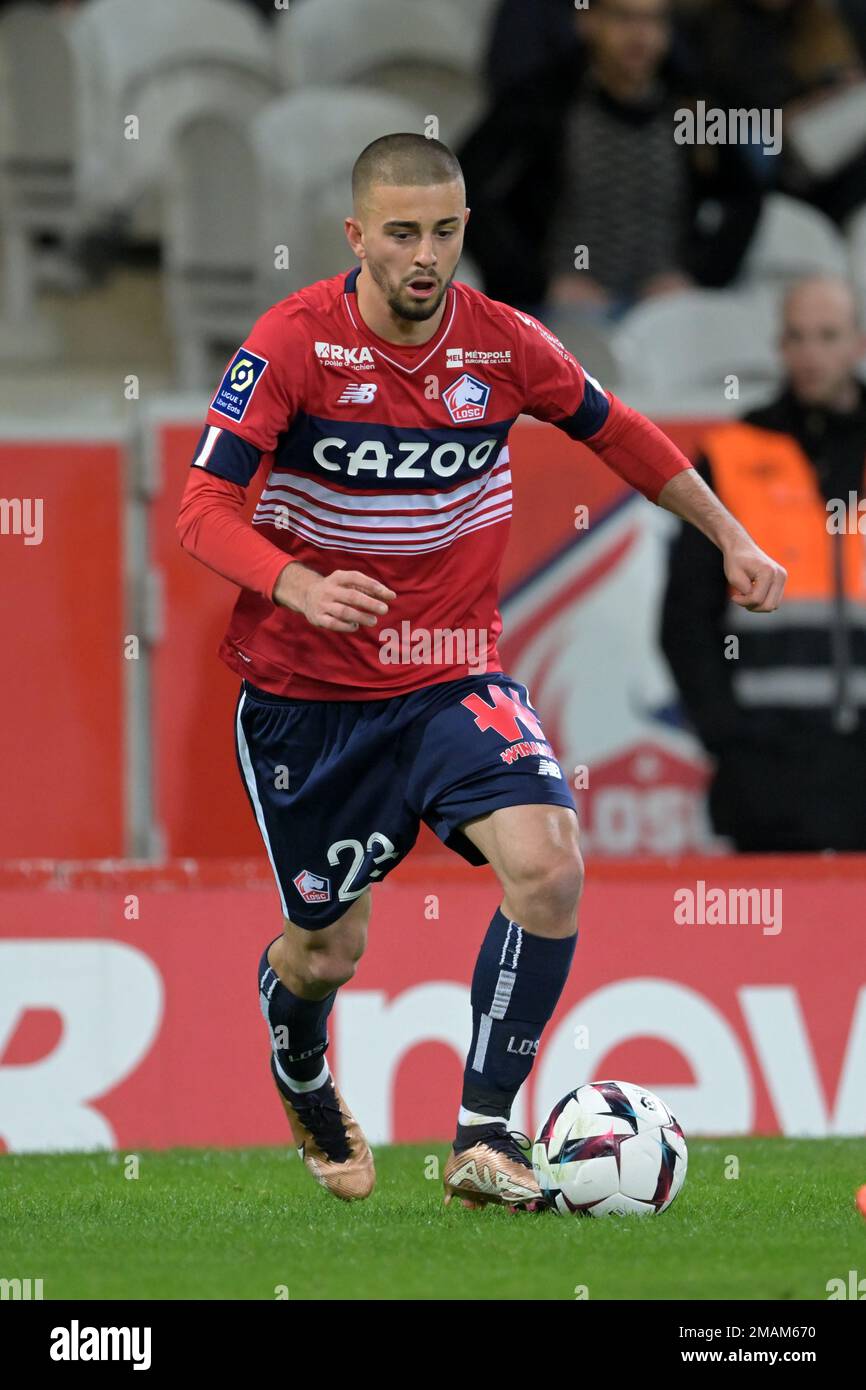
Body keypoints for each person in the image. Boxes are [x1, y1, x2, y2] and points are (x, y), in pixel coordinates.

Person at [176, 133, 785, 1210]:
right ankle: (300, 1058)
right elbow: (201, 508)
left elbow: (617, 431)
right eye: (402, 233)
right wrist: (295, 584)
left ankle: (484, 1134)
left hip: (454, 674)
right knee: (327, 951)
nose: (425, 256)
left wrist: (729, 533)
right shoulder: (292, 344)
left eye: (445, 232)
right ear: (356, 235)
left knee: (549, 866)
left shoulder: (501, 343)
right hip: (309, 698)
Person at [661, 274, 866, 851]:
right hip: (769, 762)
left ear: (858, 342)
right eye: (796, 337)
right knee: (773, 909)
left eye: (828, 336)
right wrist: (728, 736)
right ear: (779, 346)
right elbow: (686, 619)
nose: (811, 354)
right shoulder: (732, 454)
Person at [458, 0, 757, 316]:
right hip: (559, 310)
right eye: (623, 18)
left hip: (664, 312)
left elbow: (746, 196)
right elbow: (465, 189)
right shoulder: (541, 100)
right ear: (586, 21)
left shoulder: (691, 105)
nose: (640, 35)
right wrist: (535, 284)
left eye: (655, 21)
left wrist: (698, 277)